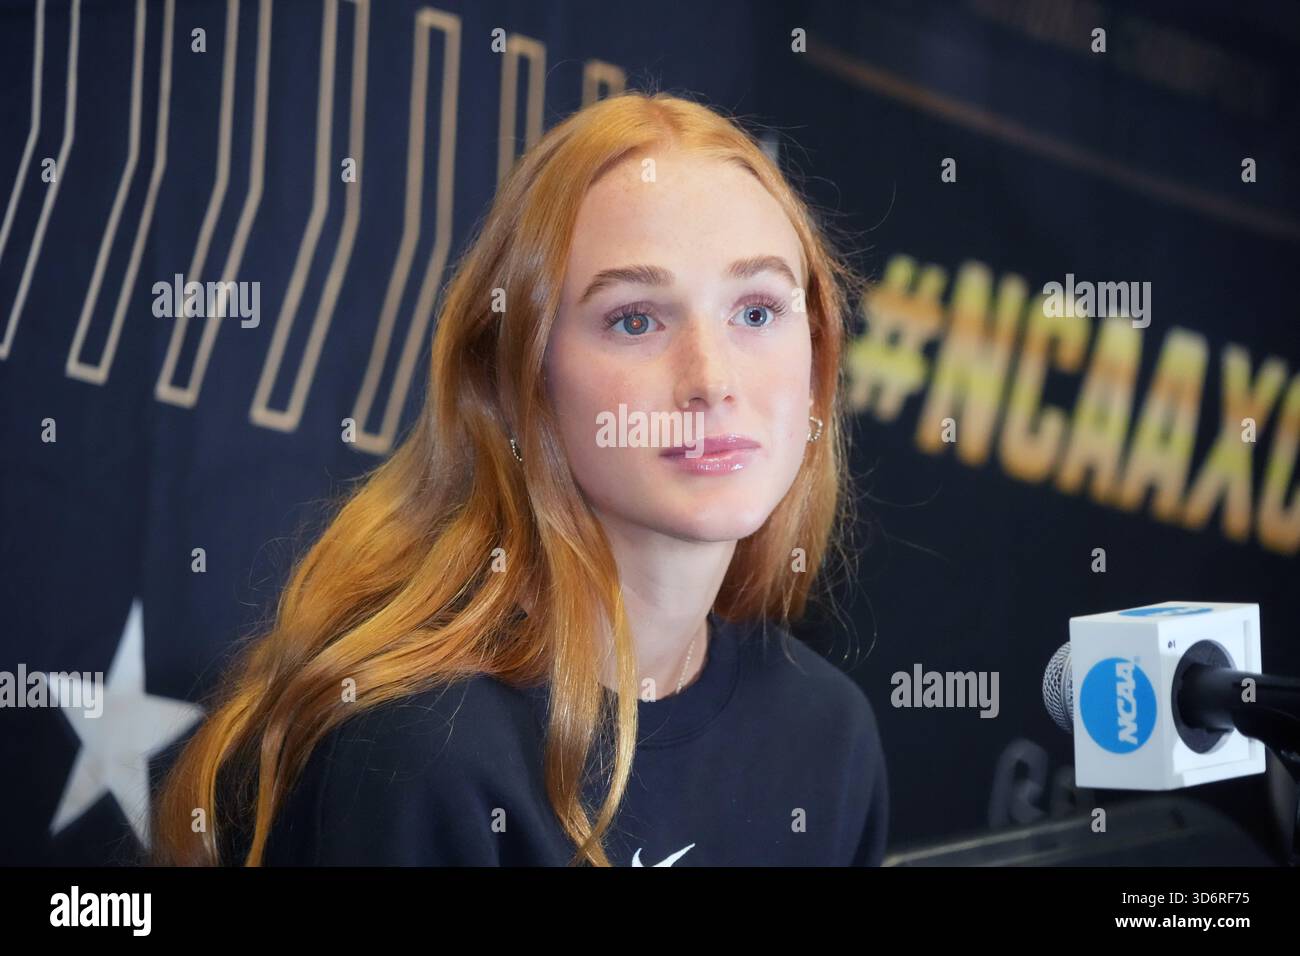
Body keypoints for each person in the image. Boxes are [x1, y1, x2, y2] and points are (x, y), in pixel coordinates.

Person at [150, 90, 887, 867]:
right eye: (636, 318)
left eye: (758, 311)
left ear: (818, 360)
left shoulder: (828, 735)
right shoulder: (423, 749)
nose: (711, 377)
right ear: (518, 380)